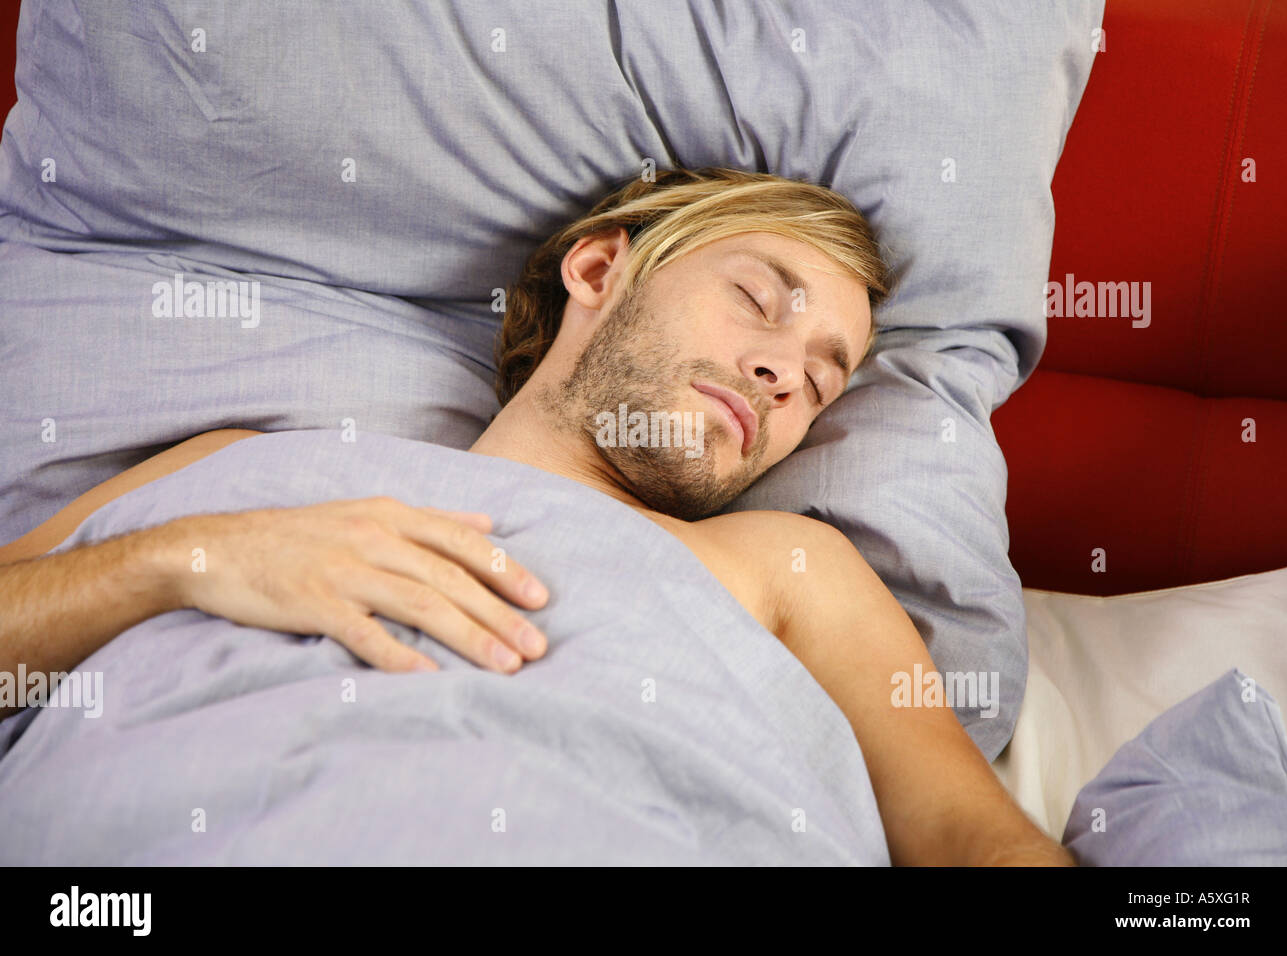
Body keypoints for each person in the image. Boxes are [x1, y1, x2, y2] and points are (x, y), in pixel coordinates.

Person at [0, 167, 1073, 865]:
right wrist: (182, 560)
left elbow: (964, 835)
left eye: (823, 381)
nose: (780, 373)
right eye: (761, 299)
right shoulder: (246, 470)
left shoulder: (787, 564)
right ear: (600, 266)